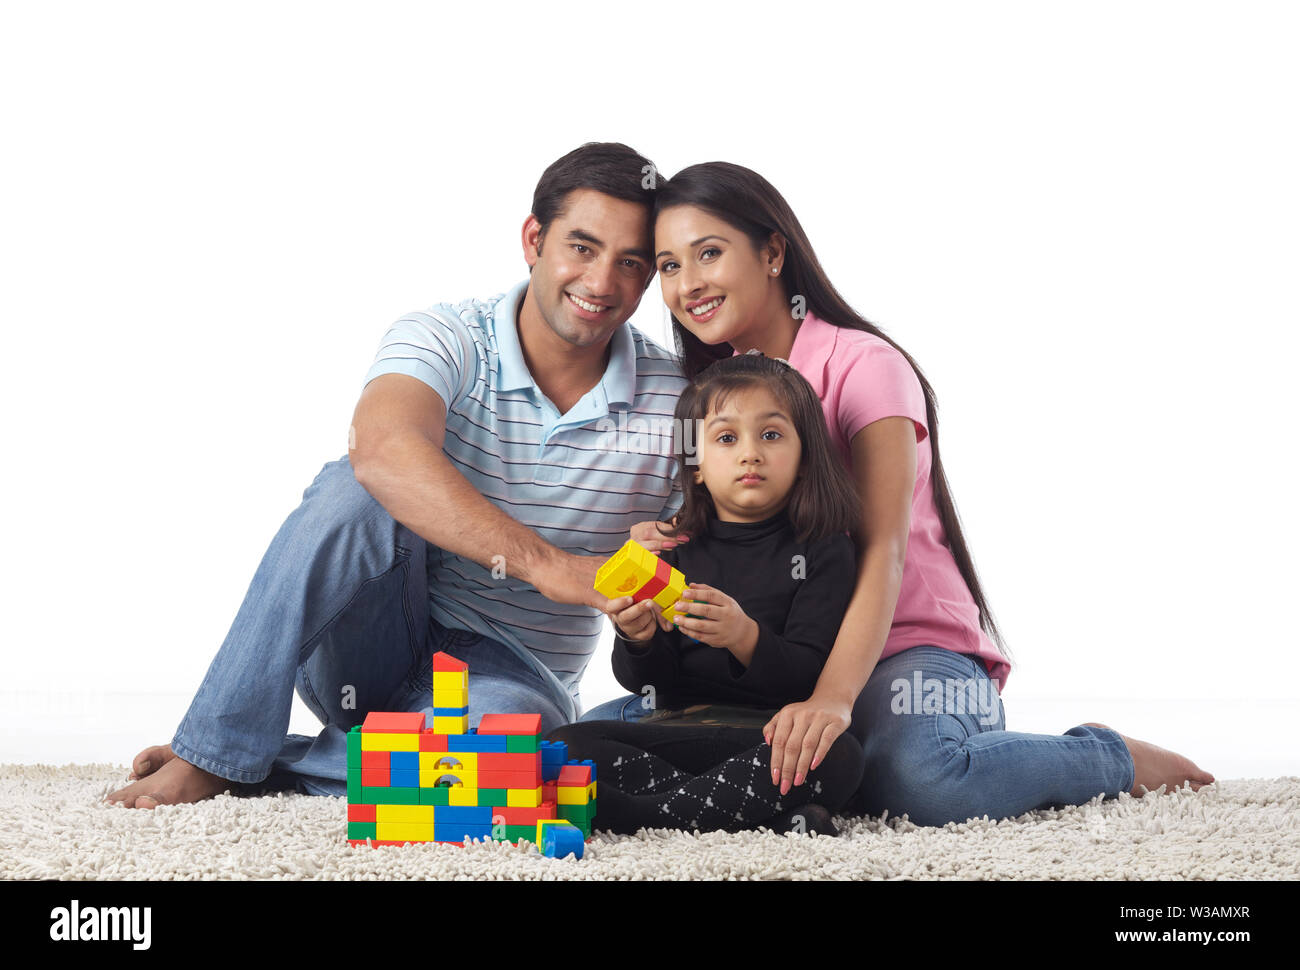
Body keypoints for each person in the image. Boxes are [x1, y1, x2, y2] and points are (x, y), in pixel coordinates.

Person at [584, 160, 1215, 828]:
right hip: (780, 657)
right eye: (670, 266)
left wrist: (832, 699)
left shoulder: (865, 367)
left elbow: (883, 549)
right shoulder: (717, 392)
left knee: (919, 780)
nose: (688, 284)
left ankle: (1104, 757)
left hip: (907, 651)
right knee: (585, 740)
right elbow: (725, 535)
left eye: (709, 253)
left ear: (772, 254)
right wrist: (664, 545)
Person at [105, 142, 688, 809]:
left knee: (517, 755)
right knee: (356, 488)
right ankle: (216, 746)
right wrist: (548, 565)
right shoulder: (446, 335)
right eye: (582, 248)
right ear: (534, 240)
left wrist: (662, 562)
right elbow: (382, 448)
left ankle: (265, 762)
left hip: (509, 678)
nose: (602, 282)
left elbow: (720, 541)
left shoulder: (675, 401)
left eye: (630, 262)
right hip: (372, 640)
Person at [549, 352, 865, 834]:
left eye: (771, 435)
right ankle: (767, 819)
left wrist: (744, 637)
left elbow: (807, 677)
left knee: (841, 757)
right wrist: (638, 638)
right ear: (695, 466)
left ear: (804, 460)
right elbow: (645, 683)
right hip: (676, 728)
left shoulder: (823, 550)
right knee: (564, 745)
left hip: (767, 736)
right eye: (726, 438)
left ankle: (644, 816)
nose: (750, 453)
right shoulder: (671, 547)